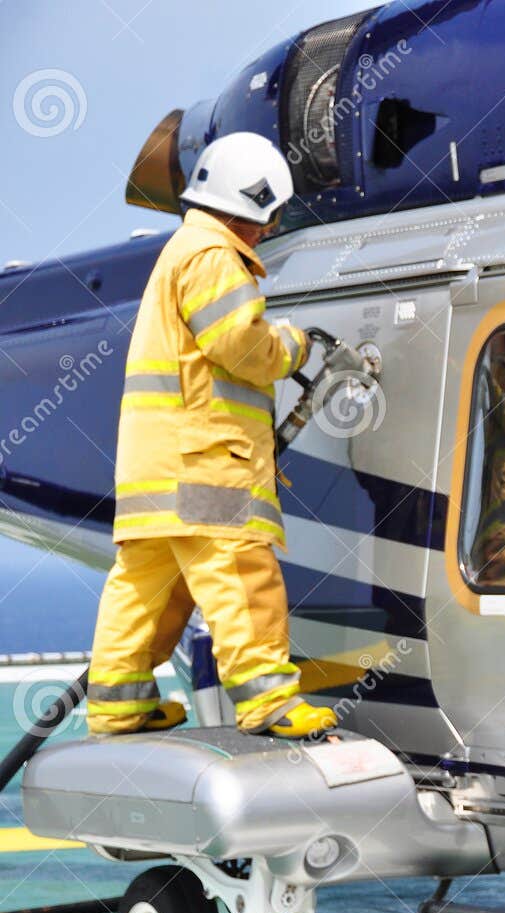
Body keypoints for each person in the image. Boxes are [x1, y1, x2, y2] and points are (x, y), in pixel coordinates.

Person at [87, 132, 337, 739]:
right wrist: (294, 344)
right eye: (269, 218)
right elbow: (239, 345)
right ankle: (270, 703)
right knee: (239, 573)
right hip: (205, 463)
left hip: (156, 467)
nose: (269, 231)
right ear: (252, 205)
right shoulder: (213, 255)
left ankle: (119, 707)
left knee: (147, 586)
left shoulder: (182, 249)